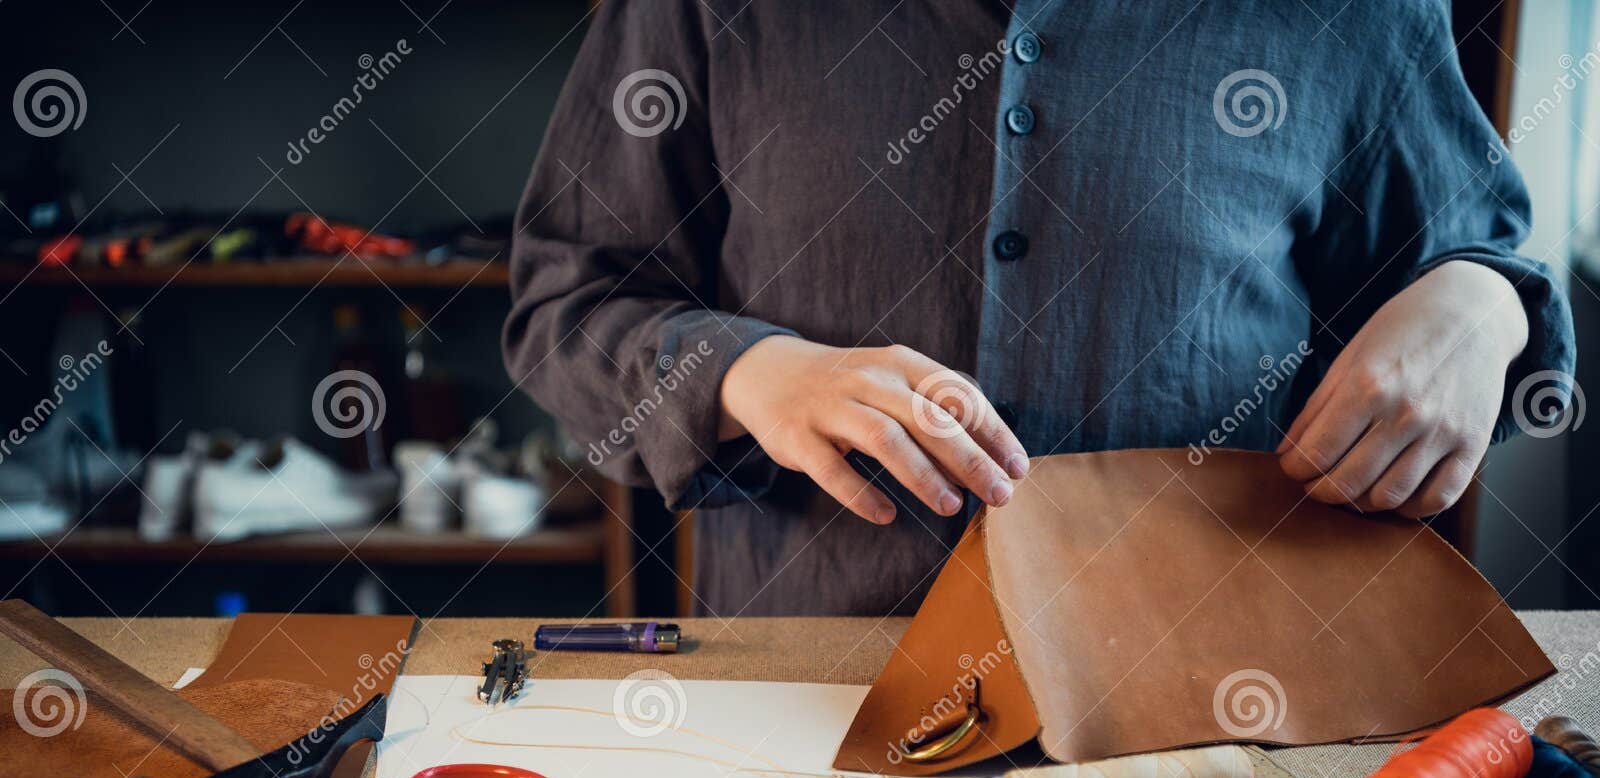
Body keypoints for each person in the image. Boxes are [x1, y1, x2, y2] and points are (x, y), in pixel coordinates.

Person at [504, 0, 1573, 616]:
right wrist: (748, 372)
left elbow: (1475, 256)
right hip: (805, 698)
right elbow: (569, 300)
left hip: (1221, 713)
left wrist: (1483, 308)